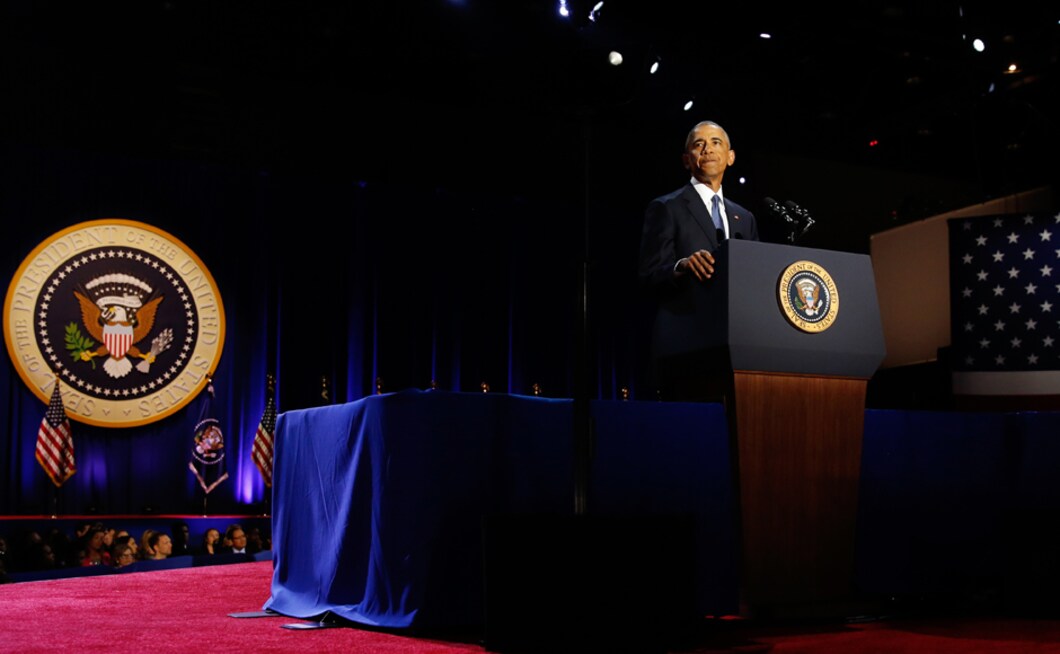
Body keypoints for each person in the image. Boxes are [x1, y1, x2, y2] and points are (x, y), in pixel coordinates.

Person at [638, 120, 759, 400]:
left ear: (730, 156)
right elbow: (648, 276)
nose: (708, 149)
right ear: (686, 159)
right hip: (687, 344)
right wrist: (682, 266)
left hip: (737, 347)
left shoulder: (745, 217)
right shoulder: (666, 207)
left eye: (716, 142)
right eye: (698, 144)